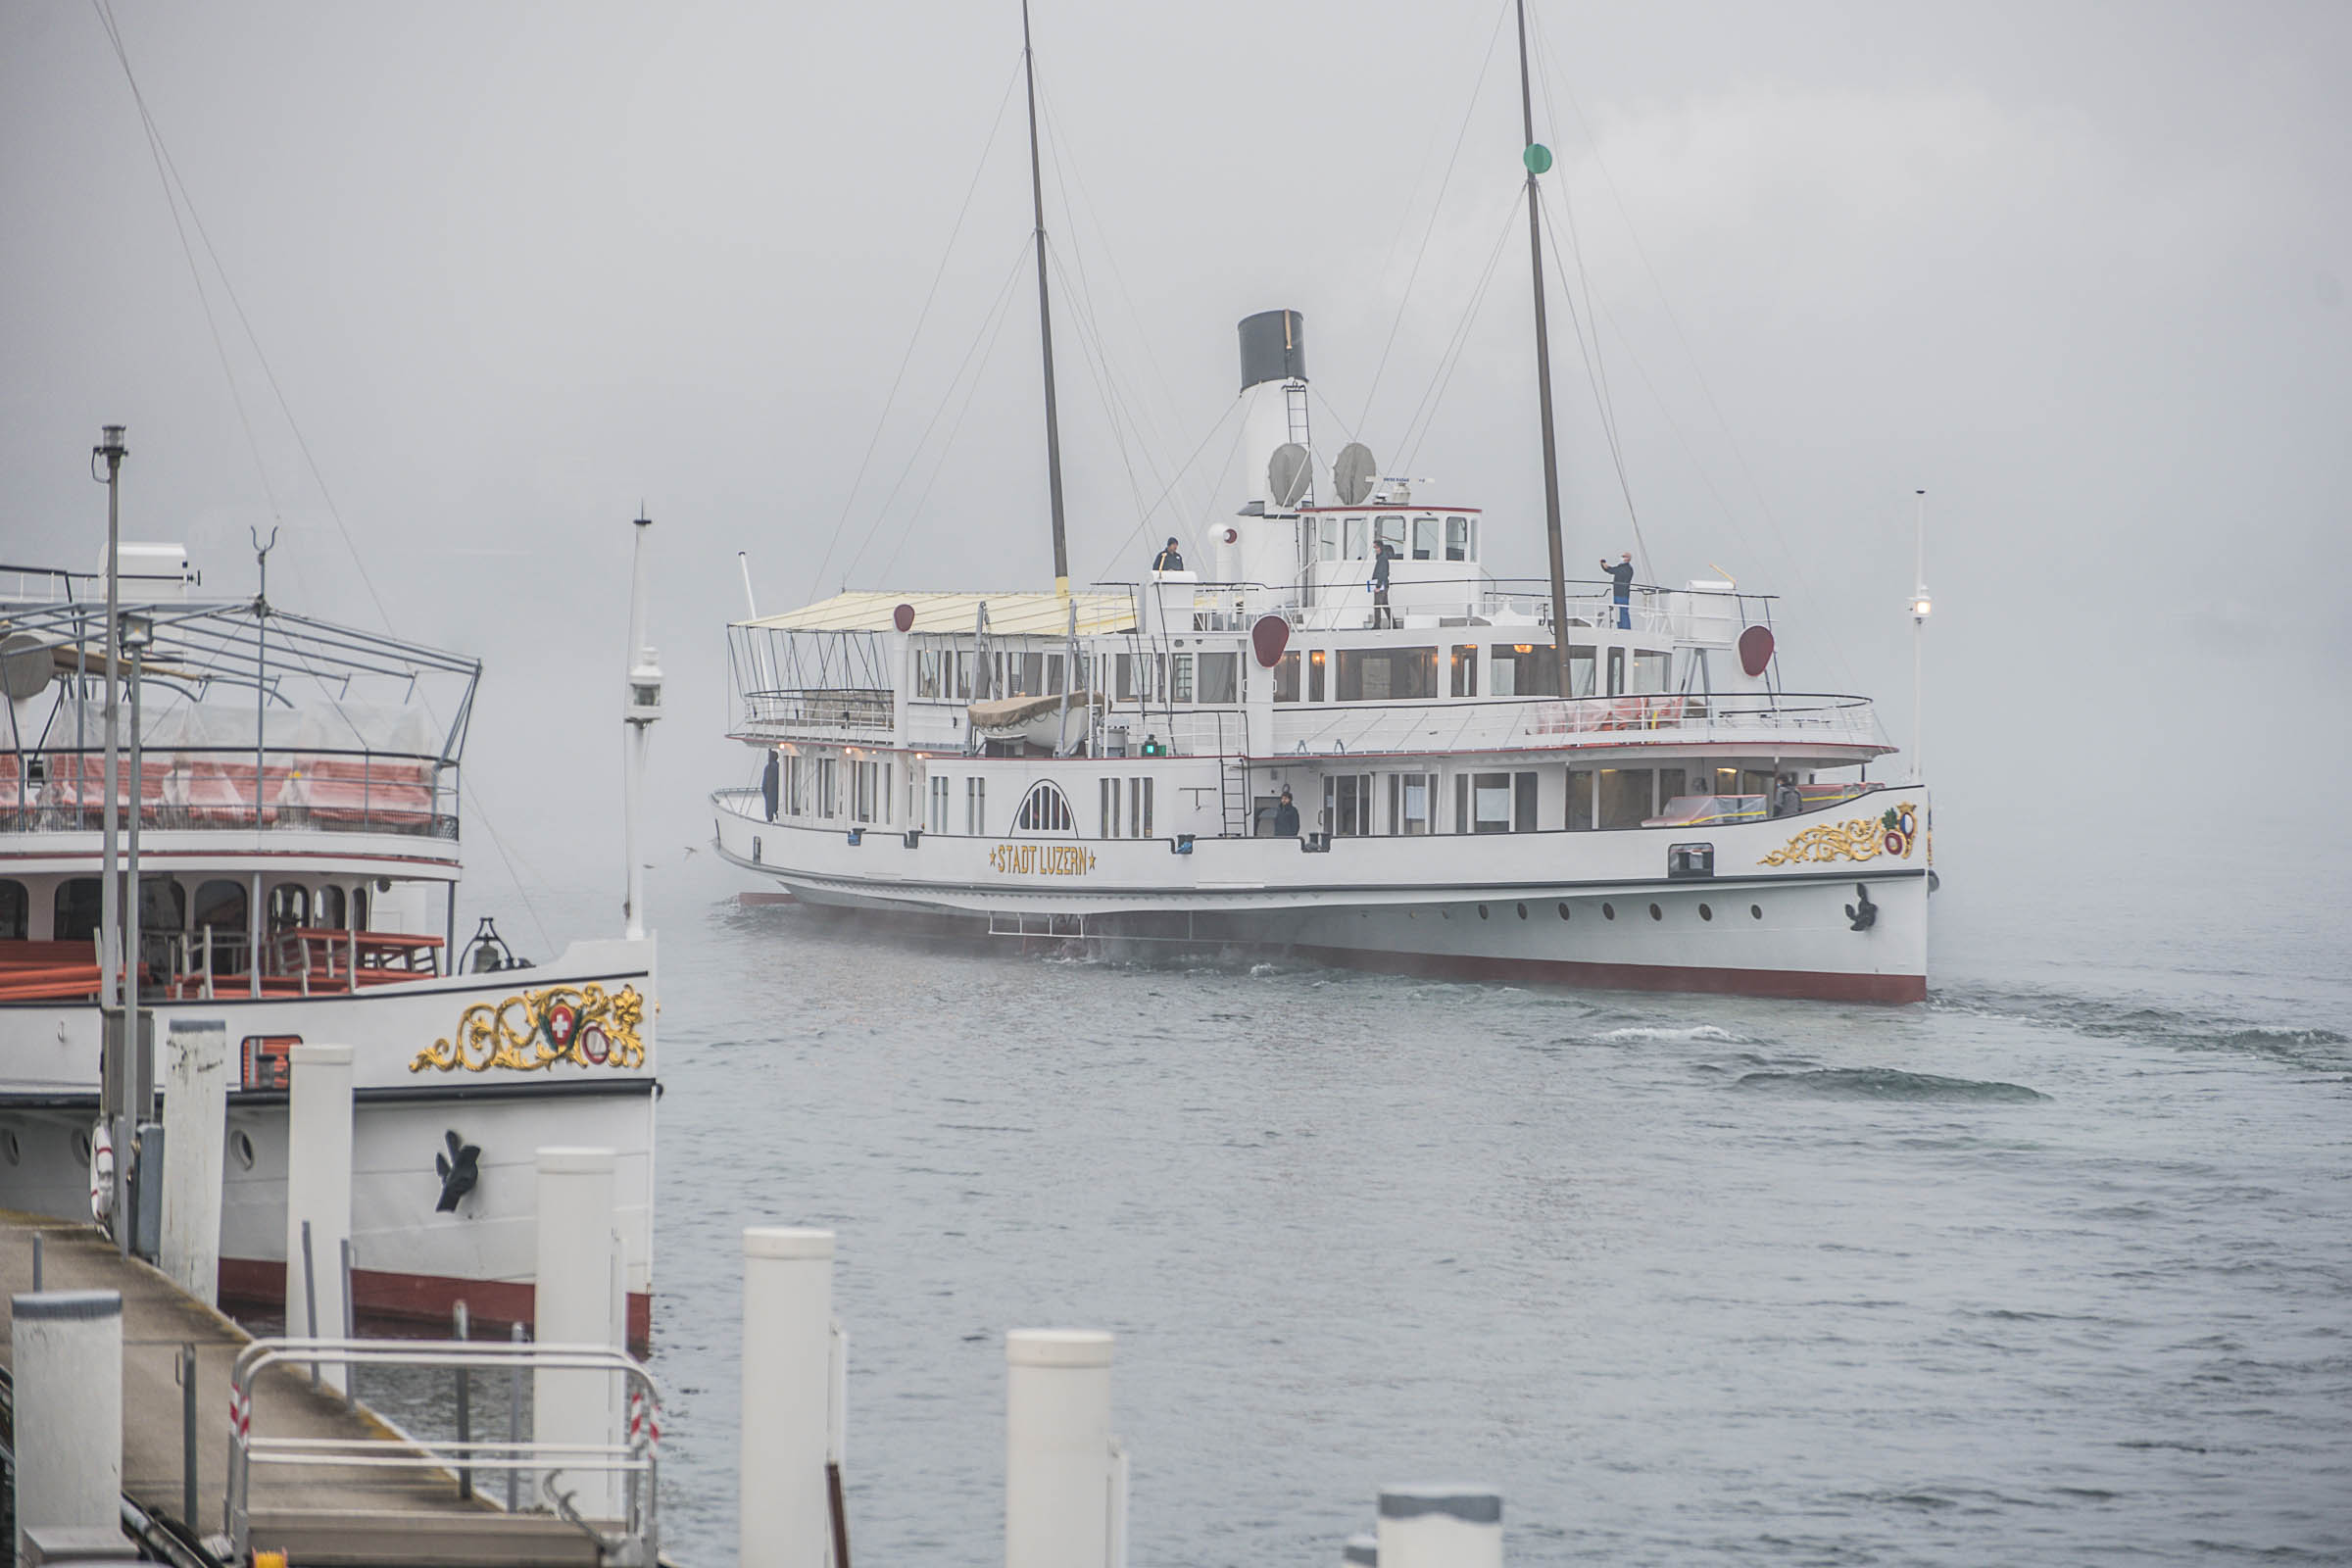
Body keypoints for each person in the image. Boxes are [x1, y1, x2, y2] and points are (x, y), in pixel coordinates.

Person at [1600, 551, 1635, 629]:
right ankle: (1620, 628)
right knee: (1617, 613)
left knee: (1623, 612)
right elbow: (1610, 570)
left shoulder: (1628, 569)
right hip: (1616, 593)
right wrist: (1603, 565)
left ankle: (1625, 629)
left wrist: (1605, 566)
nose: (1622, 558)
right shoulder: (1621, 567)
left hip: (1623, 594)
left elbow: (1612, 570)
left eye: (1624, 556)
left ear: (1628, 559)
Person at [1370, 540, 1395, 628]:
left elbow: (1382, 573)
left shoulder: (1382, 559)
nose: (1375, 550)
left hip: (1381, 586)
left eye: (1375, 548)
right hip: (1383, 585)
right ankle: (1393, 624)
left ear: (1379, 548)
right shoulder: (1382, 558)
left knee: (1377, 605)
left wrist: (1378, 586)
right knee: (1385, 605)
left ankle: (1377, 625)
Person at [761, 748, 780, 822]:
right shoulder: (779, 766)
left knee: (770, 808)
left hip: (771, 792)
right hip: (775, 792)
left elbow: (765, 784)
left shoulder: (770, 768)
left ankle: (770, 818)